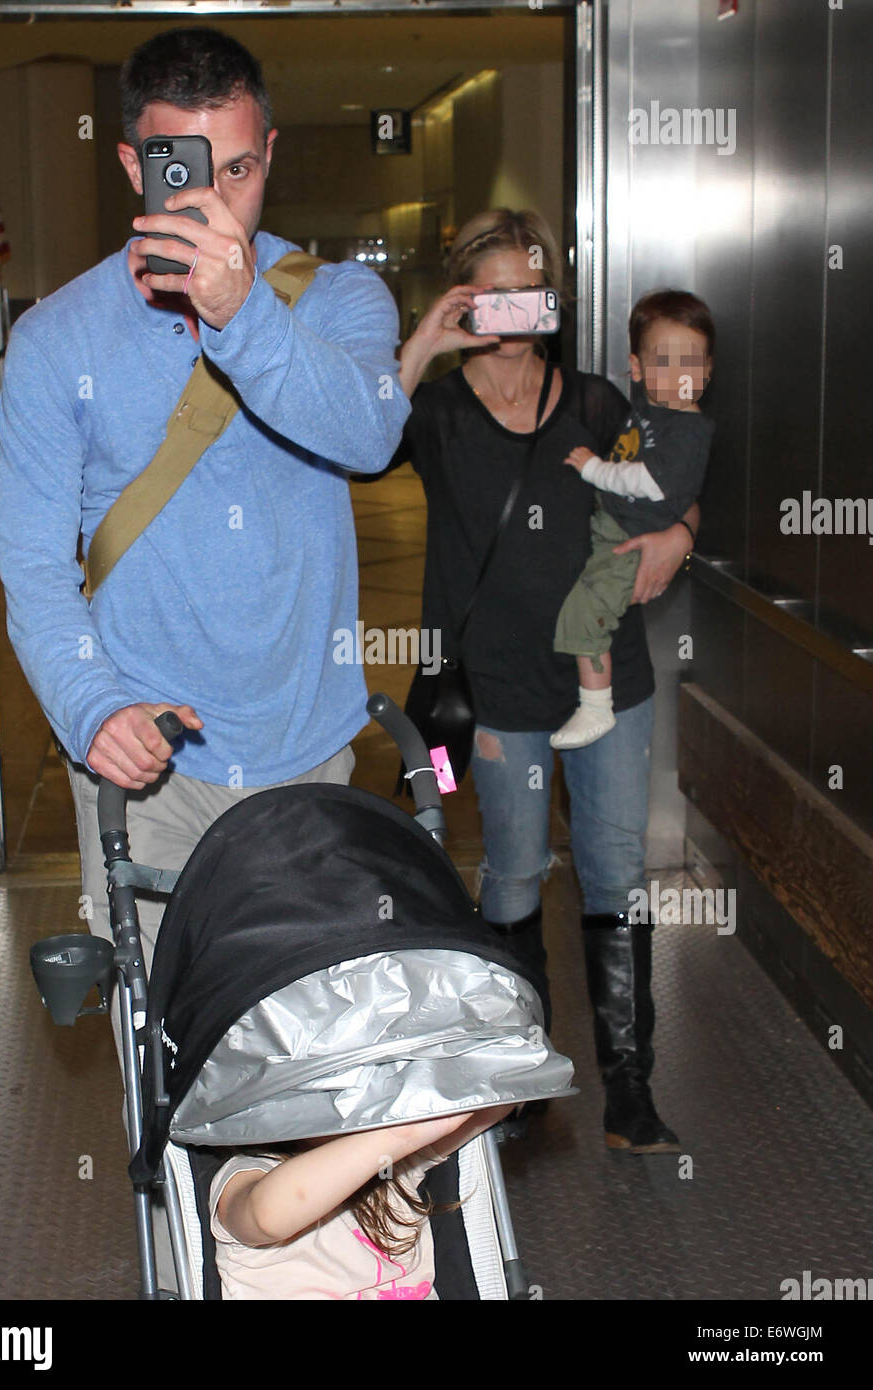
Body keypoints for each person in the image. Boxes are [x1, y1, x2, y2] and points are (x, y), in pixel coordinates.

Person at [0, 27, 409, 964]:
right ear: (134, 164)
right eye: (186, 171)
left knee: (312, 1061)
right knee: (168, 1063)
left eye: (241, 170)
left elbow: (372, 434)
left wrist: (242, 313)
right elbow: (31, 559)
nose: (217, 202)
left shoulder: (337, 300)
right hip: (149, 769)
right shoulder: (58, 339)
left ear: (273, 157)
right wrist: (92, 706)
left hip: (308, 750)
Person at [391, 209, 700, 1154]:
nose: (514, 308)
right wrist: (425, 341)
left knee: (614, 870)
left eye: (530, 286)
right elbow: (357, 442)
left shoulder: (599, 403)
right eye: (492, 292)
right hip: (496, 690)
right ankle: (519, 1078)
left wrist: (682, 536)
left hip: (611, 681)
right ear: (467, 297)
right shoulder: (439, 413)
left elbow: (675, 480)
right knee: (516, 870)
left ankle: (630, 1092)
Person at [550, 290, 715, 749]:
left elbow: (649, 483)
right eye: (664, 362)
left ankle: (596, 707)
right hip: (615, 527)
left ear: (709, 369)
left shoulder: (688, 429)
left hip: (630, 538)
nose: (680, 375)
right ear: (637, 369)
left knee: (588, 611)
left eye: (692, 362)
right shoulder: (654, 412)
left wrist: (593, 469)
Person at [210, 1106, 512, 1299]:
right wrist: (401, 1135)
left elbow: (494, 1101)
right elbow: (268, 1217)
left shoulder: (392, 1171)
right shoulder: (250, 1174)